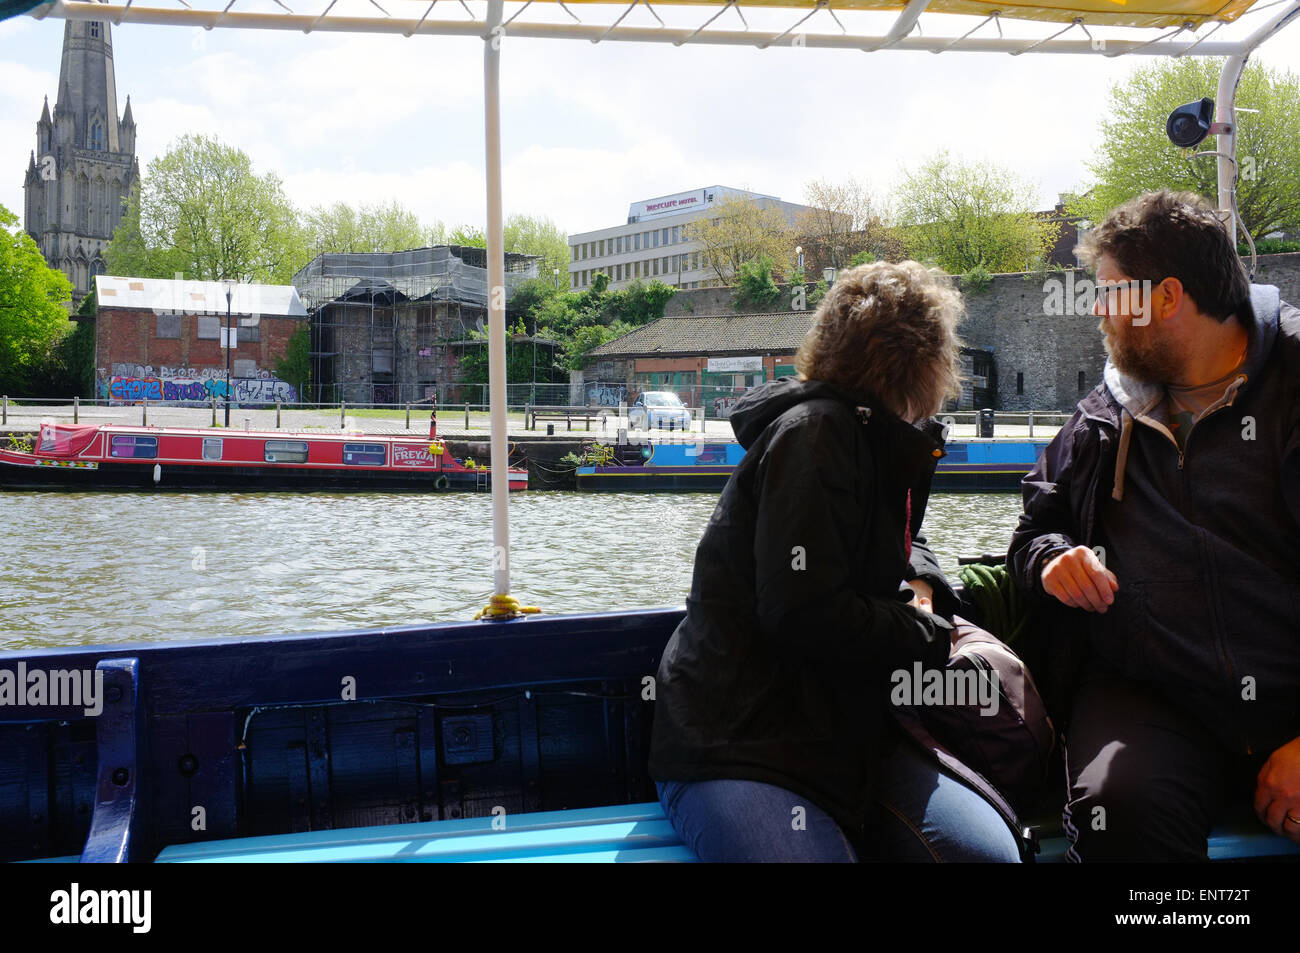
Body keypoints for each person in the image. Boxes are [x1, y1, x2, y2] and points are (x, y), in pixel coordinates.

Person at [648, 260, 1024, 862]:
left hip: (845, 730)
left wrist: (922, 580)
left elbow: (899, 540)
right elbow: (802, 613)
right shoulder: (816, 437)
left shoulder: (878, 437)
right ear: (922, 360)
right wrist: (924, 629)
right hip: (739, 741)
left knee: (987, 858)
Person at [1007, 190, 1300, 861]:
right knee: (1116, 806)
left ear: (1166, 297)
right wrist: (1055, 560)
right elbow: (1033, 532)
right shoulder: (1106, 411)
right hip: (1155, 696)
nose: (1097, 311)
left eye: (1109, 291)